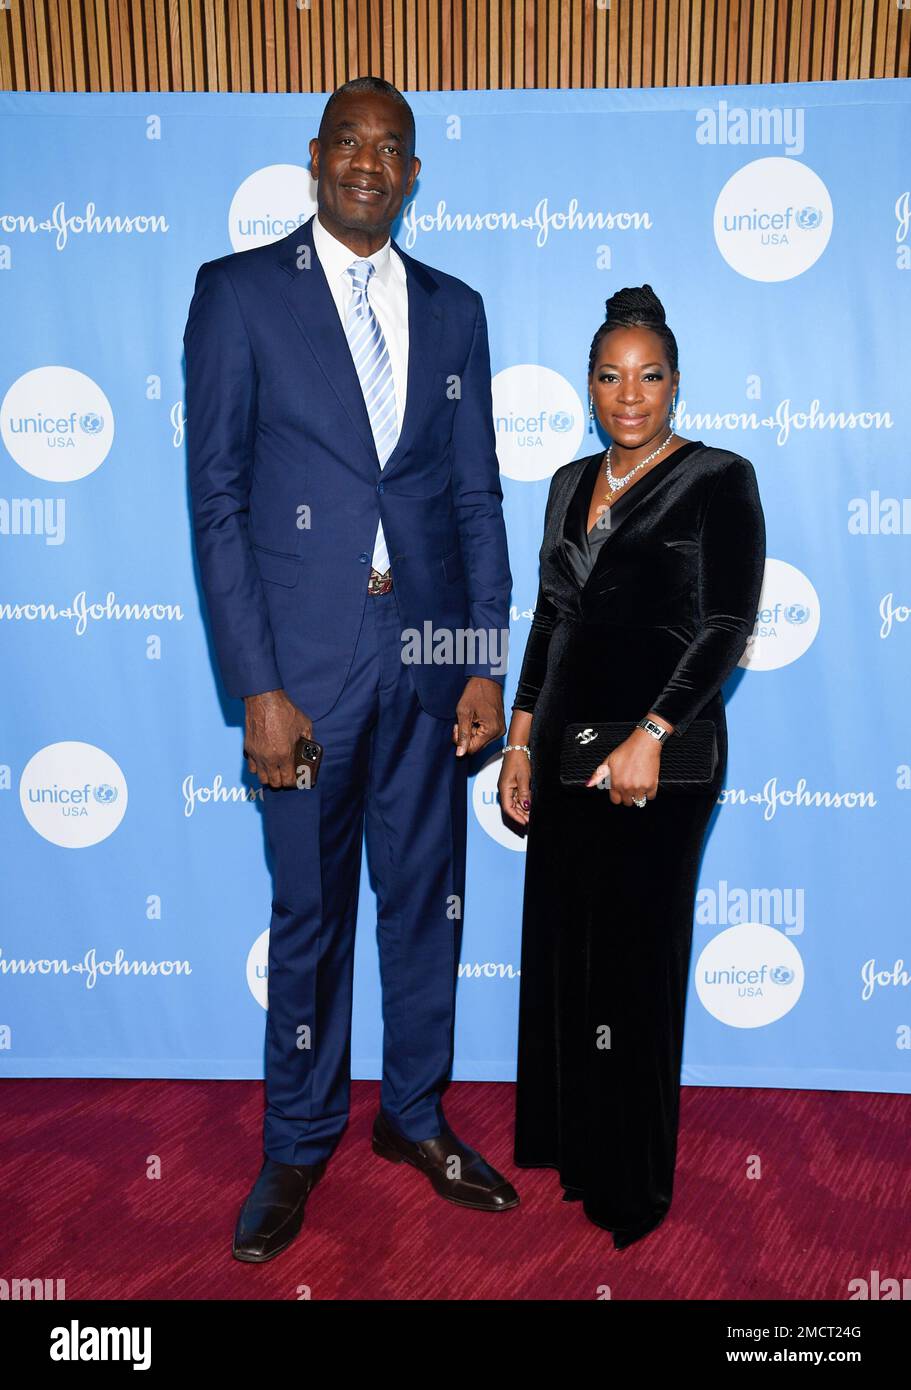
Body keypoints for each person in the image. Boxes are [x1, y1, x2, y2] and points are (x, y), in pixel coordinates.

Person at [184, 76, 517, 1264]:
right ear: (314, 156)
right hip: (304, 672)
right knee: (309, 916)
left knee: (427, 906)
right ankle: (295, 1139)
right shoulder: (237, 297)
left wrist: (480, 658)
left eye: (393, 147)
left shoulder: (457, 310)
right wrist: (255, 685)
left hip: (426, 661)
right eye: (350, 142)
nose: (369, 162)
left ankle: (415, 1118)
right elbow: (216, 500)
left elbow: (473, 493)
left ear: (414, 173)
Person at [499, 284, 766, 1249]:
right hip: (565, 748)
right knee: (570, 954)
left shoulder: (719, 478)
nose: (628, 394)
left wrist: (652, 732)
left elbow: (727, 625)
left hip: (667, 751)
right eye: (610, 376)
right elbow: (548, 618)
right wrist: (521, 740)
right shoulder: (568, 483)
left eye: (648, 377)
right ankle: (577, 1146)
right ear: (587, 385)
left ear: (676, 385)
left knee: (634, 964)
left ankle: (631, 1181)